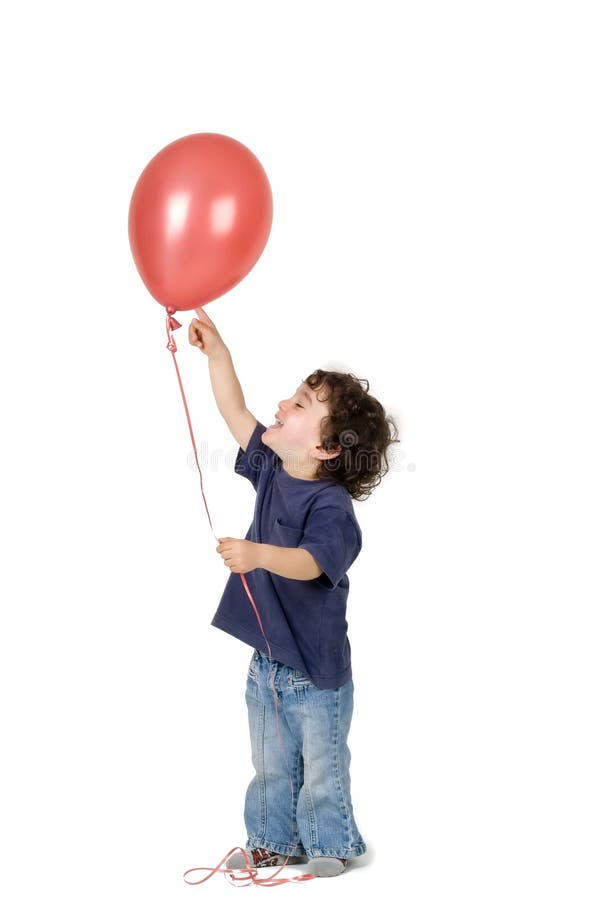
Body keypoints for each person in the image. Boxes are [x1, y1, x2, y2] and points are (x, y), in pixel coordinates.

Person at [189, 307, 397, 878]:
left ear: (327, 449)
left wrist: (256, 555)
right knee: (270, 762)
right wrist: (218, 353)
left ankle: (329, 842)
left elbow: (310, 564)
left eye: (300, 405)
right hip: (268, 661)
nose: (282, 406)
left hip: (317, 670)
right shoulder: (274, 468)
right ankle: (270, 841)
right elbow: (235, 409)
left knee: (324, 766)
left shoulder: (333, 508)